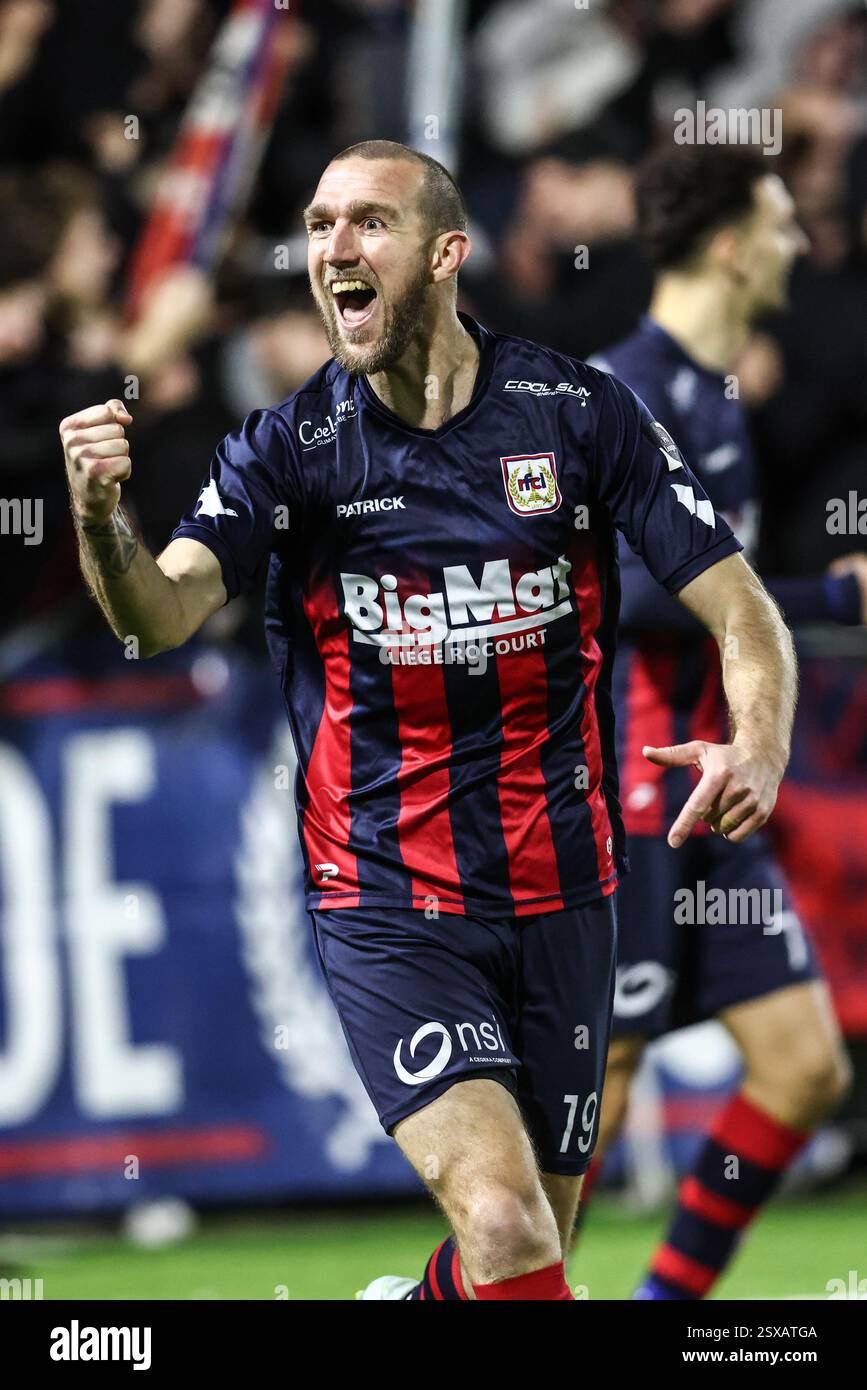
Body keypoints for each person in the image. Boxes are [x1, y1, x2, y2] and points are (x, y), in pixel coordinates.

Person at [60, 139, 797, 1302]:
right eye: (318, 226)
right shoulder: (288, 450)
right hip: (390, 898)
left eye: (368, 223)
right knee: (507, 1226)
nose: (333, 249)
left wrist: (758, 740)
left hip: (565, 889)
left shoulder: (579, 414)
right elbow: (158, 614)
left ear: (448, 253)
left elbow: (742, 609)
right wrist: (102, 521)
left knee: (534, 1249)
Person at [584, 143, 858, 1300]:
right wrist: (835, 598)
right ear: (735, 247)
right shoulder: (626, 394)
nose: (800, 243)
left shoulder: (717, 394)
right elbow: (645, 595)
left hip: (716, 793)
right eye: (782, 222)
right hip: (631, 782)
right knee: (599, 1090)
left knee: (803, 1069)